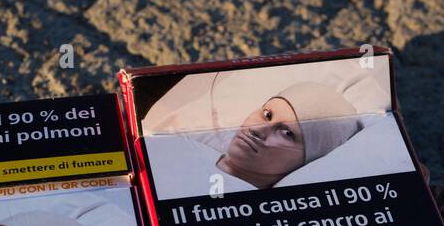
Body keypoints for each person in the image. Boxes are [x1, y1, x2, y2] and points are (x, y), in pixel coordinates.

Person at [147, 81, 362, 199]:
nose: (258, 129)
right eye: (267, 114)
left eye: (287, 133)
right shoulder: (174, 145)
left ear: (310, 160)